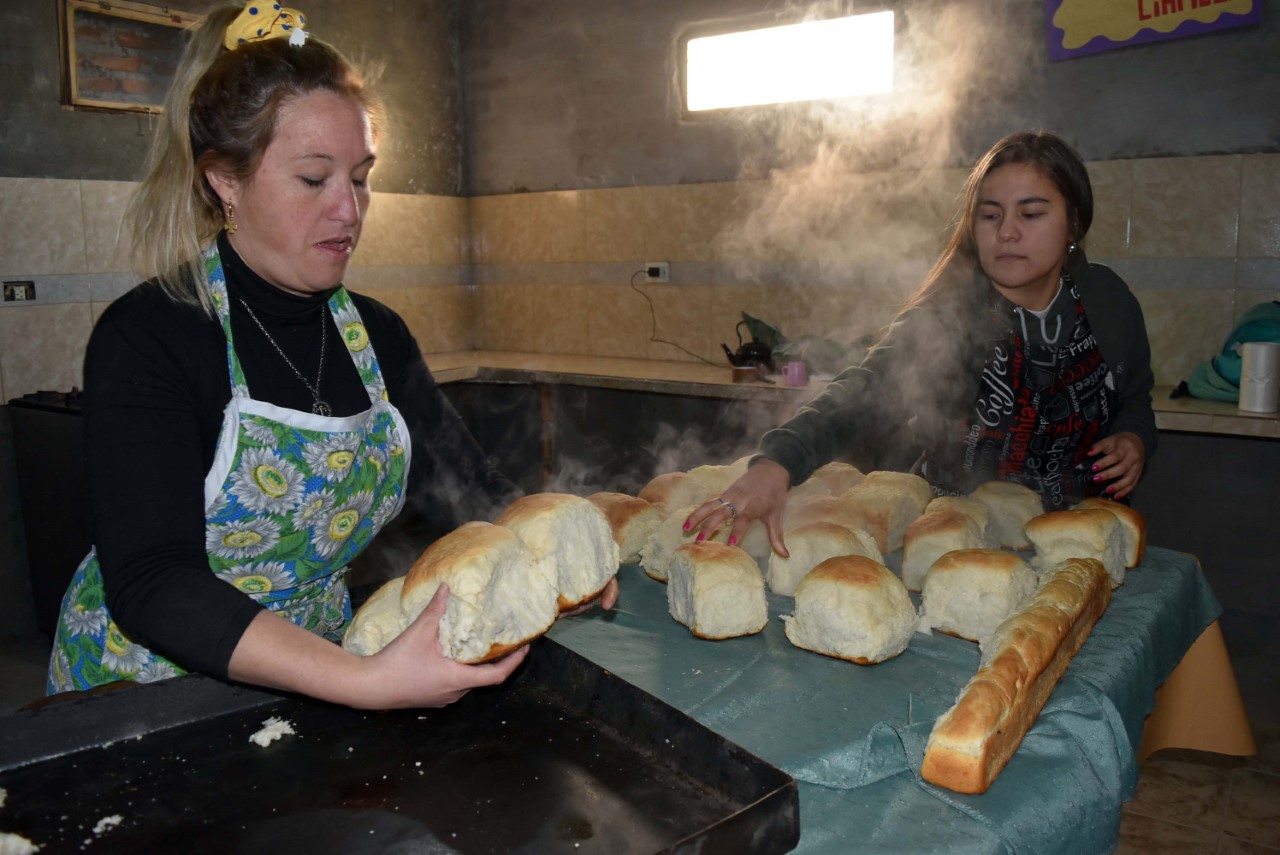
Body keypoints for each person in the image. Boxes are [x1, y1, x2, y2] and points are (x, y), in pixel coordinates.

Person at [47, 3, 614, 708]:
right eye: (314, 180)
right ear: (225, 181)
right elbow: (155, 580)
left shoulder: (376, 337)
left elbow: (472, 491)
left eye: (361, 177)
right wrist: (365, 681)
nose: (349, 211)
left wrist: (550, 550)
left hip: (317, 679)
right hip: (146, 697)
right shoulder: (152, 335)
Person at [686, 131, 1156, 557]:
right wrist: (777, 464)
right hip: (957, 537)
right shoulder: (948, 317)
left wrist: (1133, 437)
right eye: (990, 215)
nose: (1007, 231)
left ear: (1074, 224)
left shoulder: (1108, 302)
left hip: (1081, 535)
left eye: (1031, 213)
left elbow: (1134, 397)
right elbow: (861, 391)